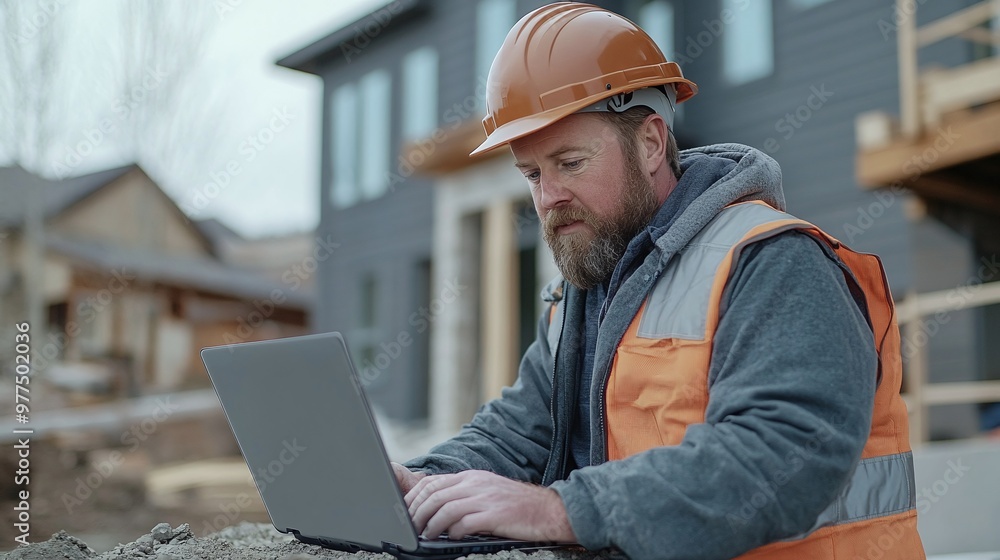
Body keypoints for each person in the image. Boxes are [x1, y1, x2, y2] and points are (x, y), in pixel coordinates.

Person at [391, 3, 926, 559]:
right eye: (532, 174)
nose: (547, 198)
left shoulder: (772, 263)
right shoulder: (585, 294)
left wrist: (557, 510)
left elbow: (782, 453)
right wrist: (420, 482)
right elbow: (520, 433)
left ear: (649, 143)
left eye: (569, 163)